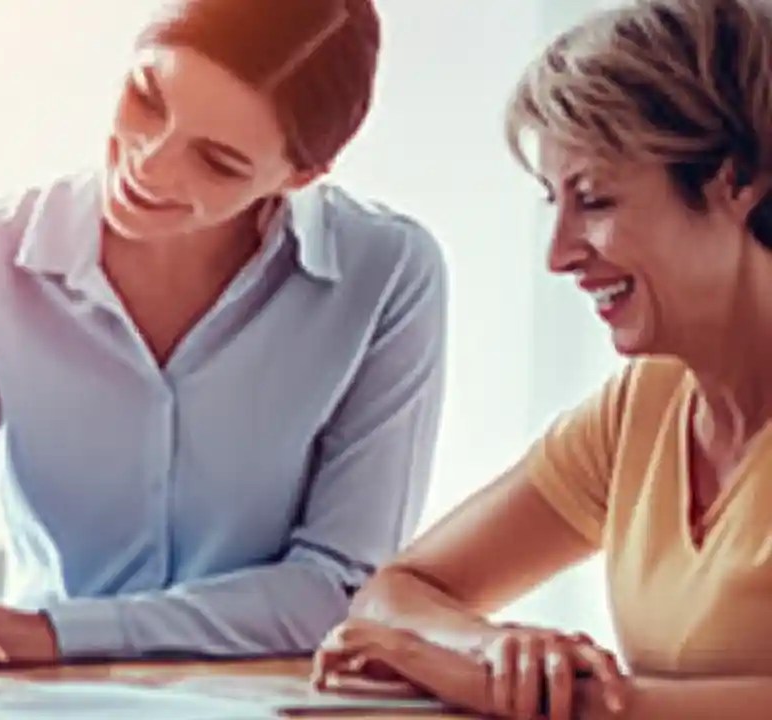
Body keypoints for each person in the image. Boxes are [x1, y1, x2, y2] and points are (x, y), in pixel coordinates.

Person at [0, 0, 447, 689]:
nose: (151, 164)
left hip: (268, 696)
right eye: (147, 99)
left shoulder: (386, 274)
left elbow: (341, 585)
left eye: (218, 162)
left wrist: (52, 633)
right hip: (39, 696)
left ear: (300, 176)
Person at [312, 0, 772, 718]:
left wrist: (548, 698)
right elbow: (398, 593)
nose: (558, 255)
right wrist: (494, 651)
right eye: (552, 202)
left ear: (736, 181)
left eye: (595, 201)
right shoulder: (644, 405)